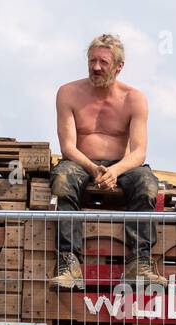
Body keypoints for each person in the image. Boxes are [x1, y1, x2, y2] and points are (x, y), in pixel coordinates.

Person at [50, 33, 167, 290]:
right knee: (62, 180)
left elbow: (138, 152)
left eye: (103, 62)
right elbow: (68, 146)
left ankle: (139, 263)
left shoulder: (134, 98)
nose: (96, 67)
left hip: (122, 164)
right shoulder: (68, 93)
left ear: (119, 66)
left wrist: (114, 171)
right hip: (80, 161)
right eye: (92, 61)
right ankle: (69, 264)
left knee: (147, 184)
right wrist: (93, 168)